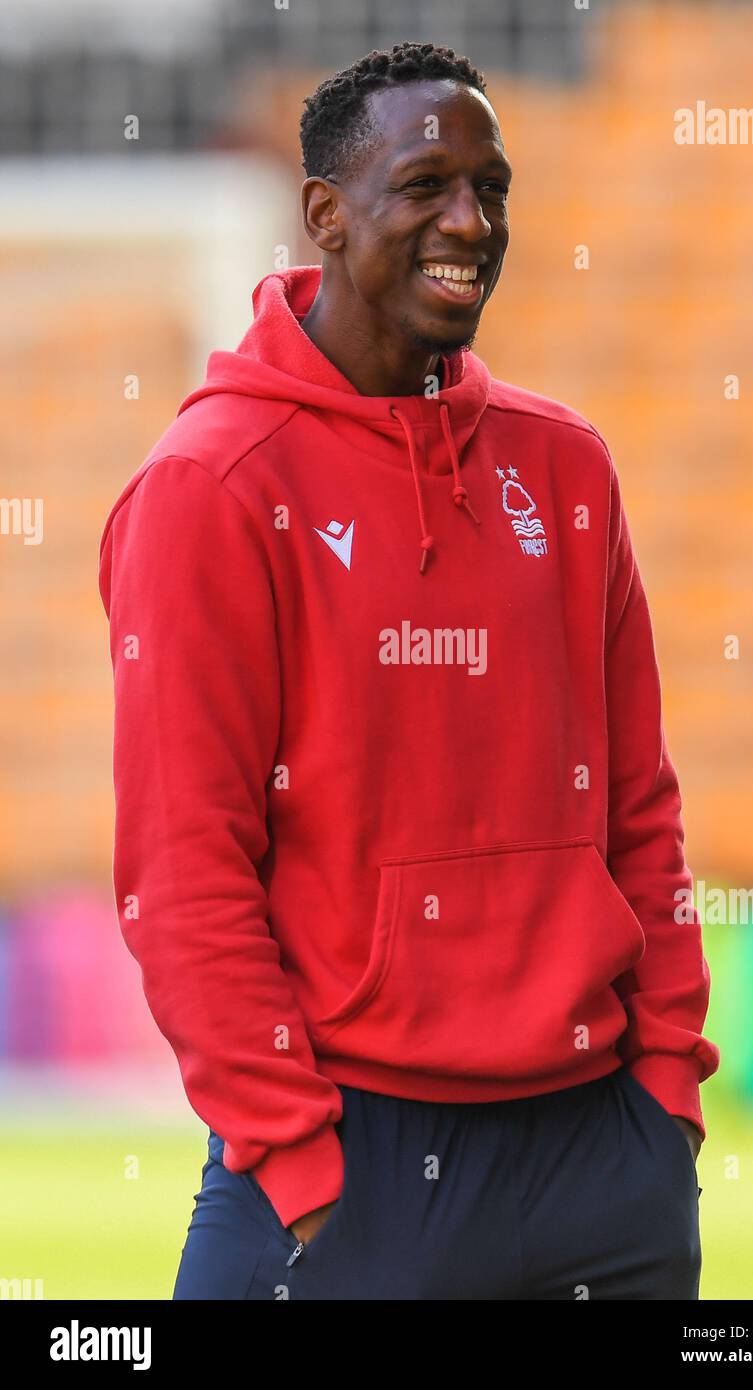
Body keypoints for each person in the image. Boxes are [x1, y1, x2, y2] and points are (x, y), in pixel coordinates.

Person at [98, 41, 720, 1301]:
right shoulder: (210, 487)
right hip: (349, 1159)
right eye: (427, 183)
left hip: (598, 1156)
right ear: (324, 213)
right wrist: (293, 1156)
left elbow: (638, 809)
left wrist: (663, 1101)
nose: (470, 222)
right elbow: (184, 864)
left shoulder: (566, 468)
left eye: (490, 189)